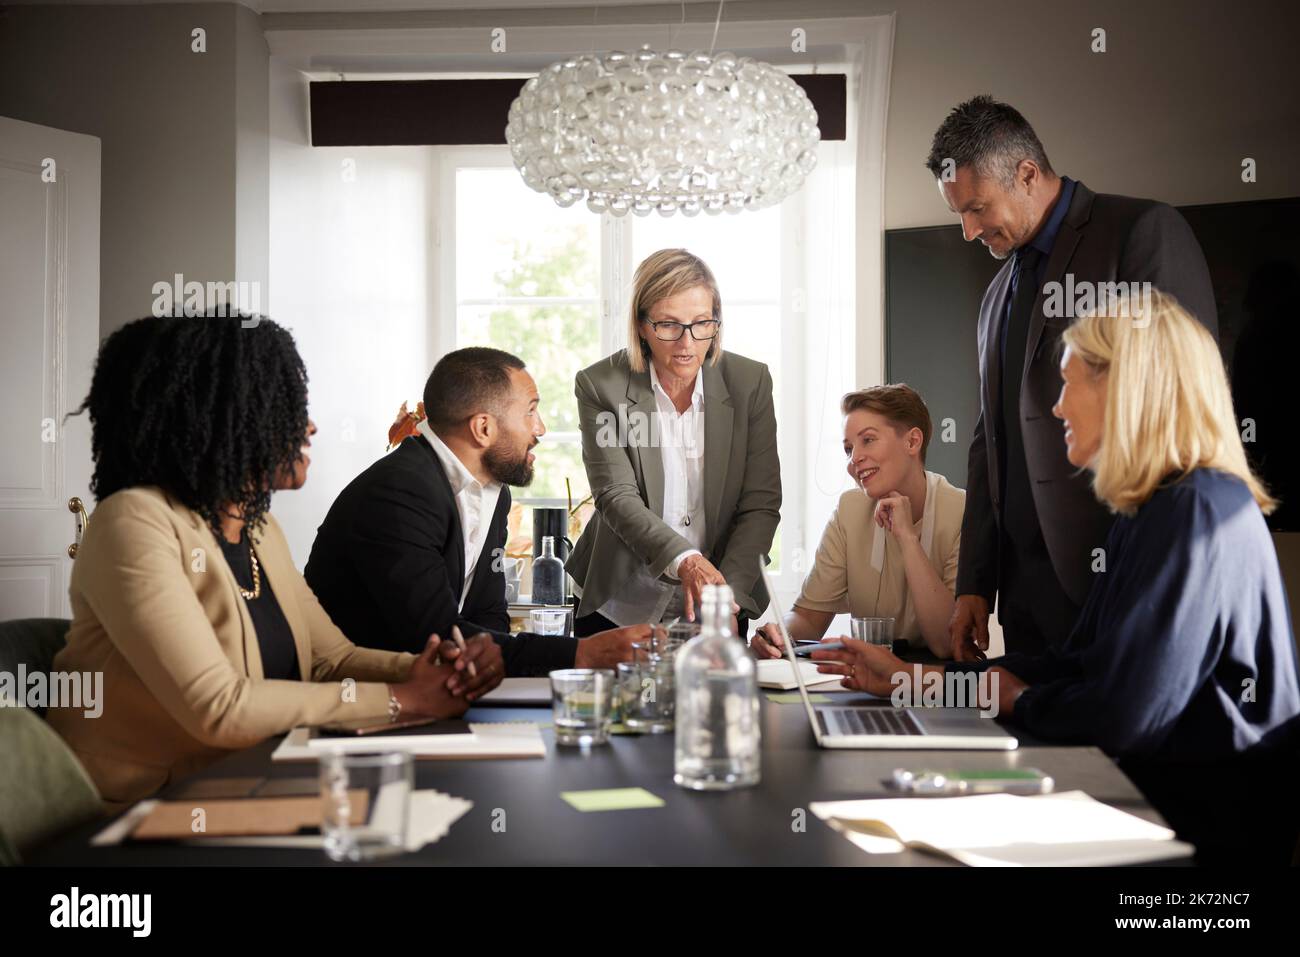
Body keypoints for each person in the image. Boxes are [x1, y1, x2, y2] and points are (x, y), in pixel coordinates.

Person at [811, 292, 1300, 864]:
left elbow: (1122, 717)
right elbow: (1074, 665)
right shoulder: (1154, 508)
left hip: (1200, 836)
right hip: (1150, 798)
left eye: (1070, 385)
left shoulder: (1196, 510)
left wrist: (1015, 700)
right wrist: (912, 680)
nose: (1059, 408)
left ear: (1129, 388)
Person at [46, 314, 494, 808]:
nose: (310, 424)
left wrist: (432, 671)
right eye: (282, 406)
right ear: (213, 417)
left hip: (254, 787)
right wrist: (402, 700)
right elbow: (220, 707)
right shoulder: (133, 523)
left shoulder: (257, 528)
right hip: (144, 810)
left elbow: (332, 661)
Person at [926, 95, 1219, 659]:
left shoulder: (1140, 233)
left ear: (1028, 174)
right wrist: (973, 584)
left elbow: (1181, 408)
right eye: (959, 212)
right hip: (1024, 602)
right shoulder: (994, 297)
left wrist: (1143, 573)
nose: (967, 231)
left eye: (977, 207)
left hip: (1122, 581)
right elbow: (992, 444)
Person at [306, 347, 649, 675]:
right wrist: (582, 653)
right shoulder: (397, 493)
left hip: (445, 694)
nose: (540, 428)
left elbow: (488, 614)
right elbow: (433, 636)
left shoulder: (494, 492)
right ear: (483, 428)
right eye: (531, 411)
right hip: (364, 701)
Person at [566, 249, 781, 639]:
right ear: (641, 325)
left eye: (702, 324)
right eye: (668, 325)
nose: (687, 342)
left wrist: (725, 597)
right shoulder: (600, 385)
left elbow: (760, 505)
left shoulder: (750, 383)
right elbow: (616, 494)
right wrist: (686, 560)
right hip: (620, 599)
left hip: (719, 594)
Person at [751, 385, 964, 659]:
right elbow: (809, 617)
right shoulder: (850, 510)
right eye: (848, 448)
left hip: (940, 687)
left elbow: (947, 644)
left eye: (868, 440)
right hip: (869, 680)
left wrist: (907, 539)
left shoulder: (961, 512)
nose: (855, 459)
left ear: (912, 442)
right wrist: (779, 635)